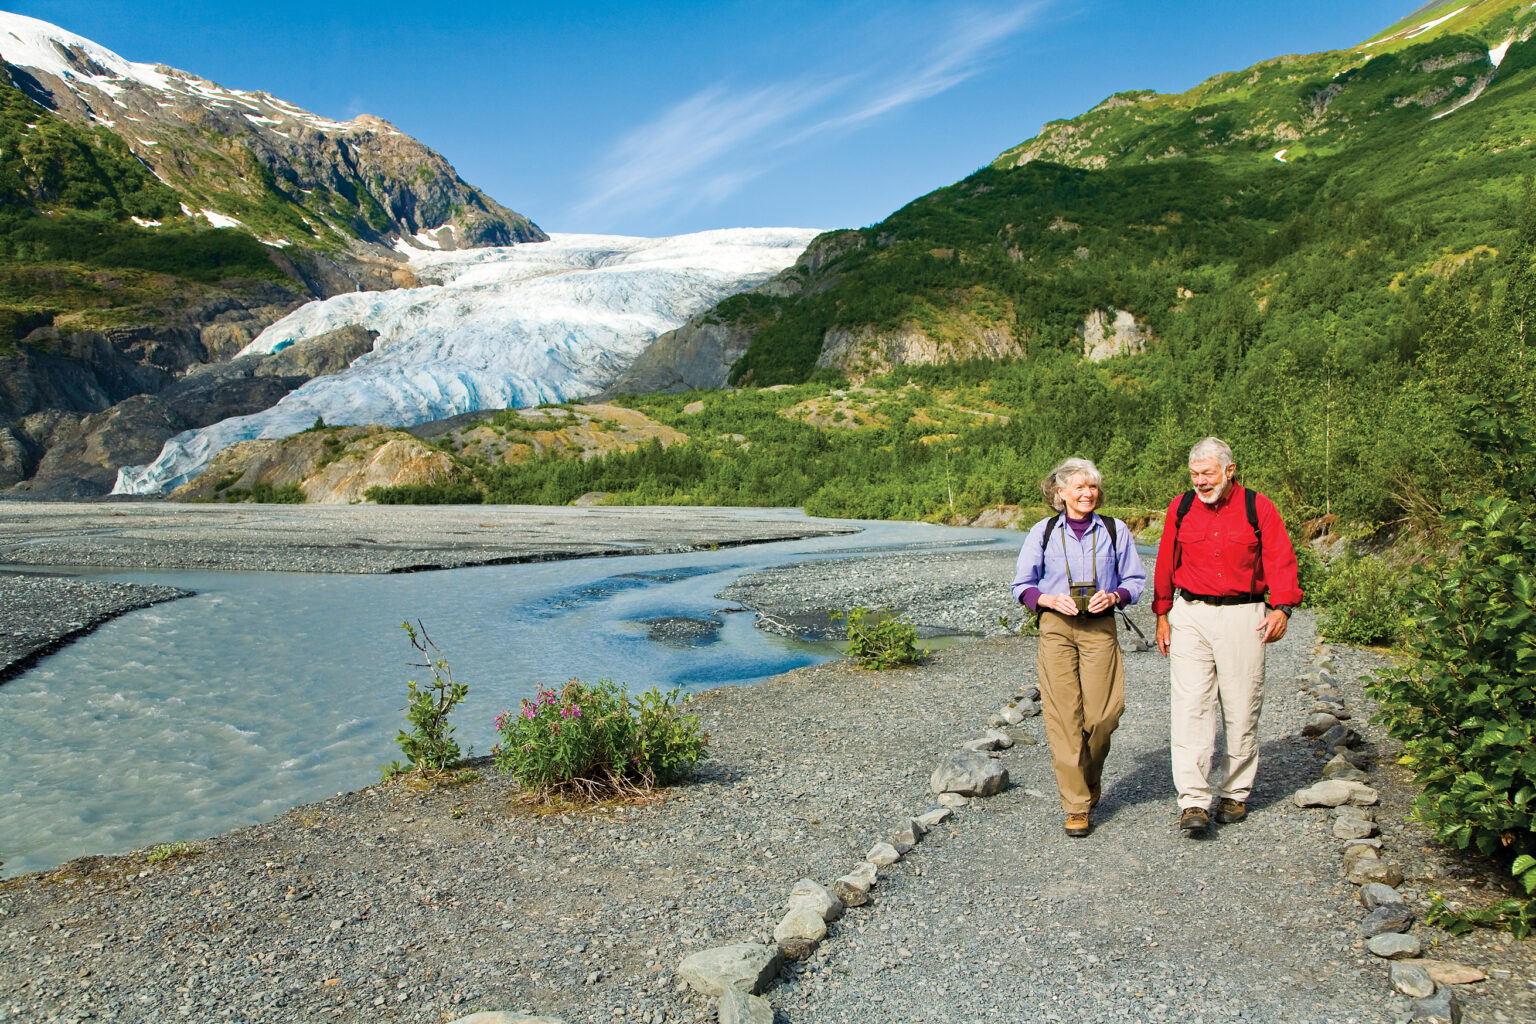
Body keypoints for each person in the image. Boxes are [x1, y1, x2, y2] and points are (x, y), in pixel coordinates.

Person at [1153, 437, 1303, 835]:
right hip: (1190, 614)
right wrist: (1162, 614)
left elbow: (1280, 558)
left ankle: (1235, 791)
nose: (1200, 482)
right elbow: (1166, 559)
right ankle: (1194, 801)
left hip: (1244, 615)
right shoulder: (1180, 507)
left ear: (1229, 471)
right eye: (1195, 474)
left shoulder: (1259, 506)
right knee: (1190, 708)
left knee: (1241, 707)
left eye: (1208, 474)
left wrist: (1282, 607)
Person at [1011, 458, 1146, 837]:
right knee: (1063, 717)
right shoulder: (1042, 532)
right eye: (1079, 487)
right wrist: (1049, 601)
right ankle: (1076, 805)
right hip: (1056, 628)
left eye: (1093, 487)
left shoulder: (1115, 530)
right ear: (1061, 493)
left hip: (1100, 627)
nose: (1088, 493)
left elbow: (1135, 580)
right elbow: (1022, 585)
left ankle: (1088, 780)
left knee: (1103, 716)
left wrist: (1116, 595)